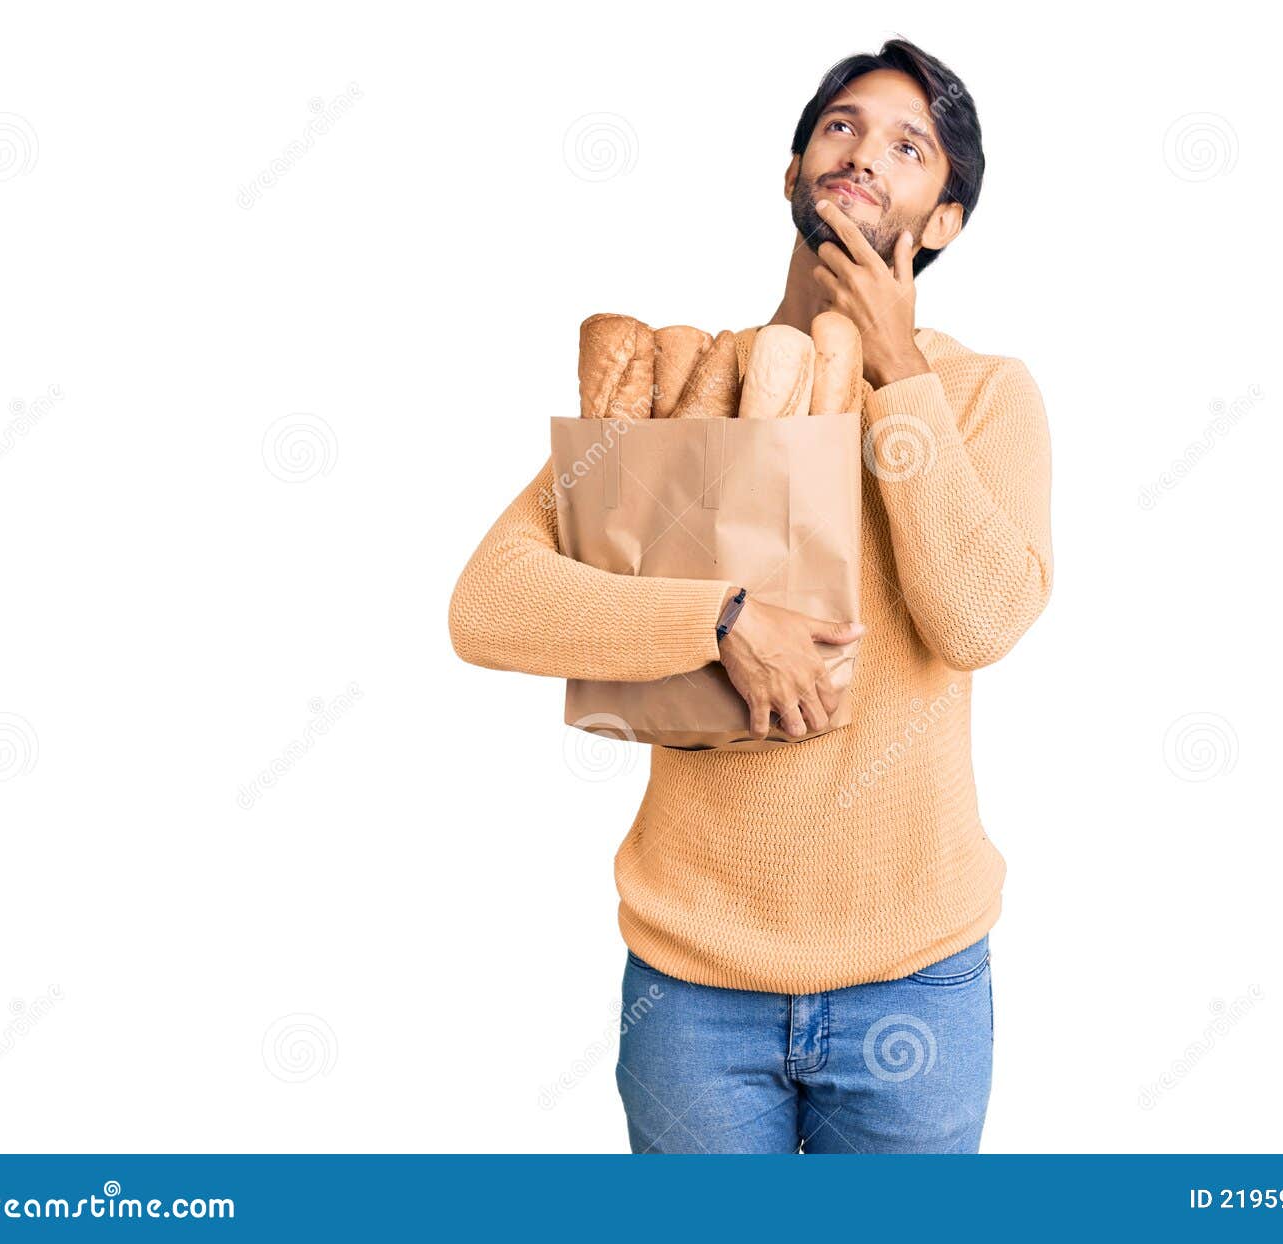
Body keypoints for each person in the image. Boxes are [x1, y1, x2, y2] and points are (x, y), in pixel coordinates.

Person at [448, 38, 1053, 1153]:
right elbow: (487, 602)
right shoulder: (690, 385)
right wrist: (719, 619)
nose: (864, 151)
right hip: (693, 989)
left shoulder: (978, 398)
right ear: (791, 172)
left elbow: (980, 620)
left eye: (907, 145)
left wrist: (894, 375)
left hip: (914, 986)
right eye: (841, 126)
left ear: (945, 218)